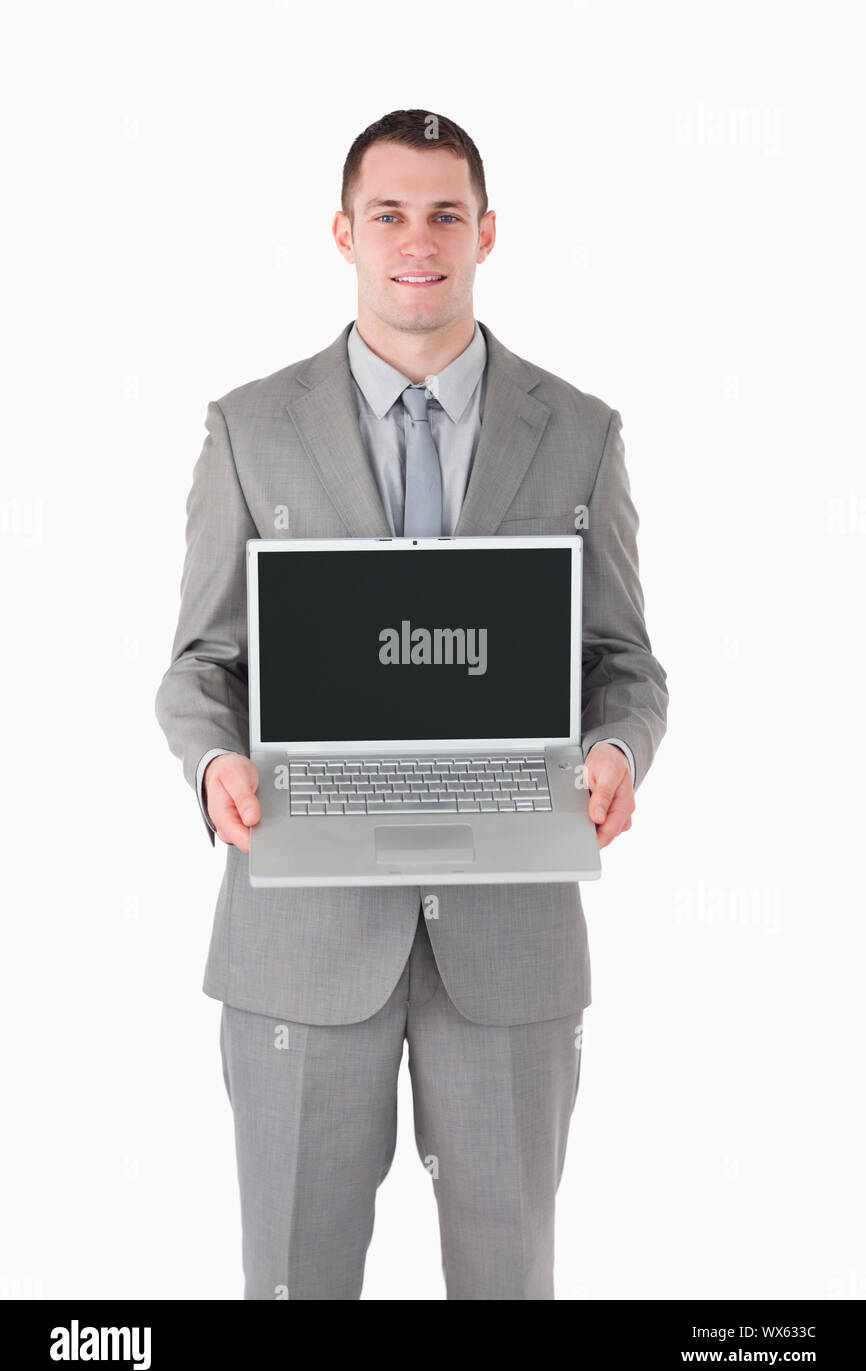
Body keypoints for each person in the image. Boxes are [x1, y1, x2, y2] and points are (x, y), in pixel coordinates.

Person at [155, 108, 668, 1300]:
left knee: (508, 1282)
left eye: (444, 214)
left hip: (509, 934)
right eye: (387, 214)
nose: (416, 240)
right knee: (292, 1278)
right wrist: (213, 765)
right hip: (299, 932)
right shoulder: (249, 428)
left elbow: (624, 662)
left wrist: (614, 750)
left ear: (485, 232)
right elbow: (198, 665)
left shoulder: (580, 433)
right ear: (344, 233)